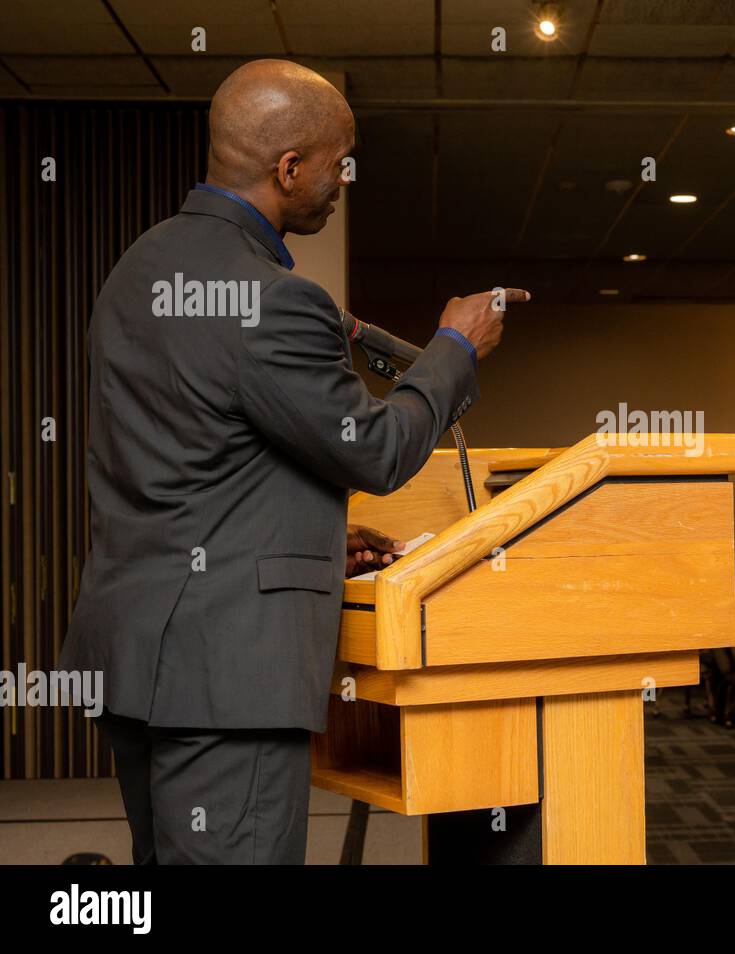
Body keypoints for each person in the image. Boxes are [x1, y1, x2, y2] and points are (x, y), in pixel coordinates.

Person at [59, 60, 525, 865]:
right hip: (223, 681)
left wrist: (306, 538)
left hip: (133, 656)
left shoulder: (136, 269)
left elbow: (187, 460)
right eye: (339, 161)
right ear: (290, 168)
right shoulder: (274, 298)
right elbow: (374, 451)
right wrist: (452, 350)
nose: (345, 179)